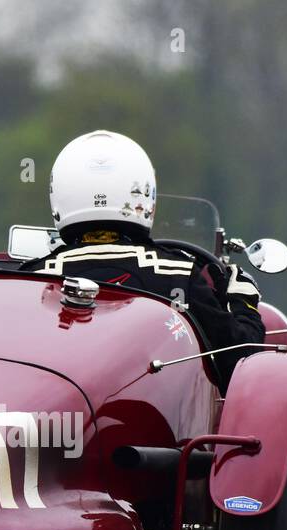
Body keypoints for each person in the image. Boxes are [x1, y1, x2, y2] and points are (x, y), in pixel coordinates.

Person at [22, 130, 264, 386]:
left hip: (57, 424)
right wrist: (242, 302)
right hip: (162, 423)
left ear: (59, 193)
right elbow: (239, 363)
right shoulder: (177, 273)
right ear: (143, 194)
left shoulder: (31, 281)